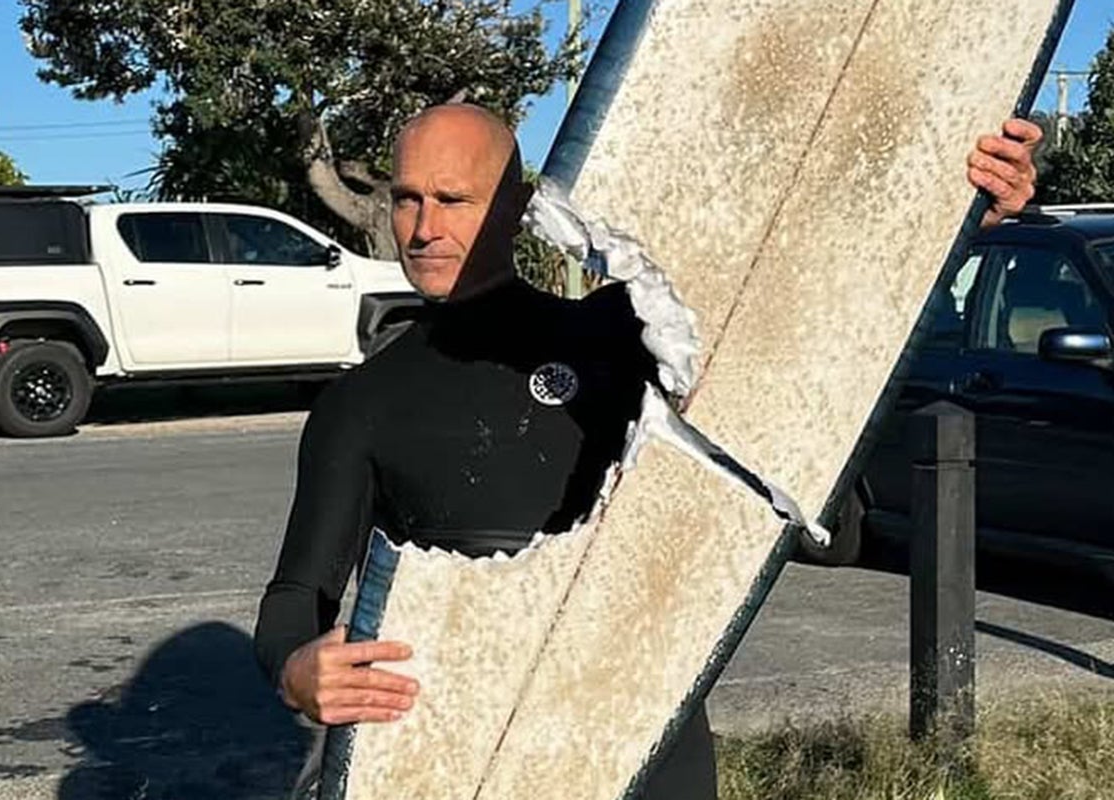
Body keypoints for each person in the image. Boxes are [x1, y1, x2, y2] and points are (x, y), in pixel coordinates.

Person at [254, 104, 1041, 798]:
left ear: (518, 206)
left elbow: (810, 291)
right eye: (407, 198)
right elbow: (296, 595)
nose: (424, 228)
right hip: (469, 751)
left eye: (453, 200)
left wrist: (958, 216)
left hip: (643, 733)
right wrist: (296, 669)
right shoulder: (360, 403)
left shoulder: (615, 336)